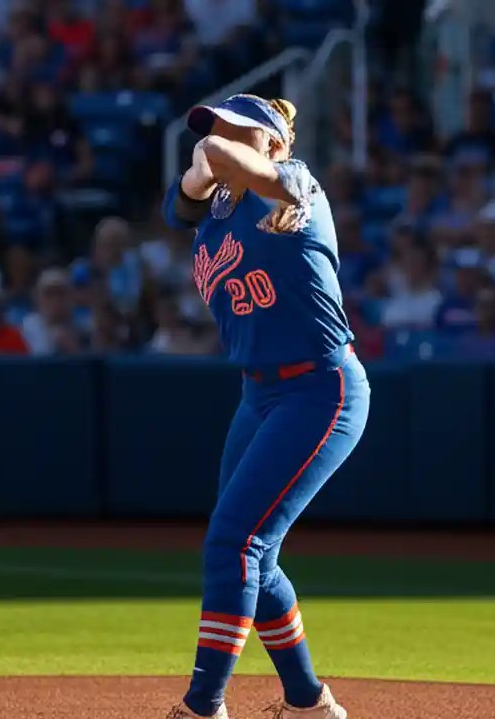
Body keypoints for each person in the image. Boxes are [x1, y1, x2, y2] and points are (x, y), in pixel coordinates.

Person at [162, 94, 367, 719]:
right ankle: (308, 703)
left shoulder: (296, 184)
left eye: (238, 130)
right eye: (216, 126)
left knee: (233, 544)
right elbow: (179, 206)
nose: (219, 138)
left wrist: (211, 153)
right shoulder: (217, 217)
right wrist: (201, 173)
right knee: (255, 551)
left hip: (320, 387)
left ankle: (203, 706)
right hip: (259, 393)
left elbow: (223, 163)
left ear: (276, 144)